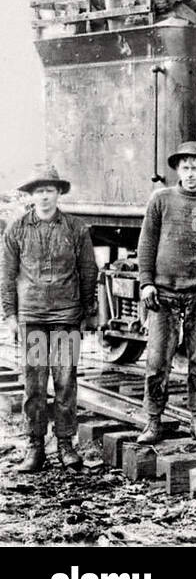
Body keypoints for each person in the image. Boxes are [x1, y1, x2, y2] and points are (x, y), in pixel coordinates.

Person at [0, 164, 99, 471]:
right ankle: (35, 447)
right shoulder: (17, 229)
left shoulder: (75, 229)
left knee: (66, 381)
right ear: (30, 195)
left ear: (58, 194)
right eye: (38, 191)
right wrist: (11, 315)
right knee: (34, 384)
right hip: (33, 317)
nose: (44, 197)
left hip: (66, 317)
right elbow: (7, 275)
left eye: (49, 190)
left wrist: (86, 311)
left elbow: (88, 271)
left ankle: (67, 446)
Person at [135, 141, 196, 445]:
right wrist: (146, 282)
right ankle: (152, 422)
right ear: (177, 170)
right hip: (163, 296)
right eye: (185, 167)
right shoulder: (160, 200)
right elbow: (147, 244)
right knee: (156, 362)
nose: (190, 174)